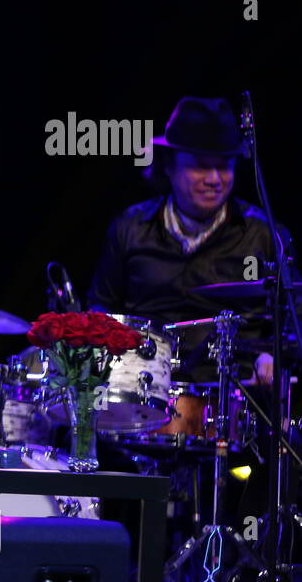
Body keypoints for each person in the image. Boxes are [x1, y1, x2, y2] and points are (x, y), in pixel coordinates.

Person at [88, 96, 288, 386]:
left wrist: (273, 356)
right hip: (143, 392)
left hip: (233, 396)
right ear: (168, 165)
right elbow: (100, 311)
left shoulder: (264, 235)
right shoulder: (129, 228)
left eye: (225, 166)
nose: (215, 179)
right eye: (201, 166)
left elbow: (293, 319)